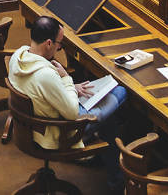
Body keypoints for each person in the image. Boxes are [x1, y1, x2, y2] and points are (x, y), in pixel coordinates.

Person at [8, 16, 129, 187]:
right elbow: (72, 113)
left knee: (108, 118)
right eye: (59, 44)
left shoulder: (18, 55)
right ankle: (116, 180)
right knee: (120, 92)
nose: (60, 48)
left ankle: (114, 177)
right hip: (58, 131)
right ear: (49, 43)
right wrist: (66, 79)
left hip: (29, 128)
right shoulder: (45, 75)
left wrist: (69, 87)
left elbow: (42, 90)